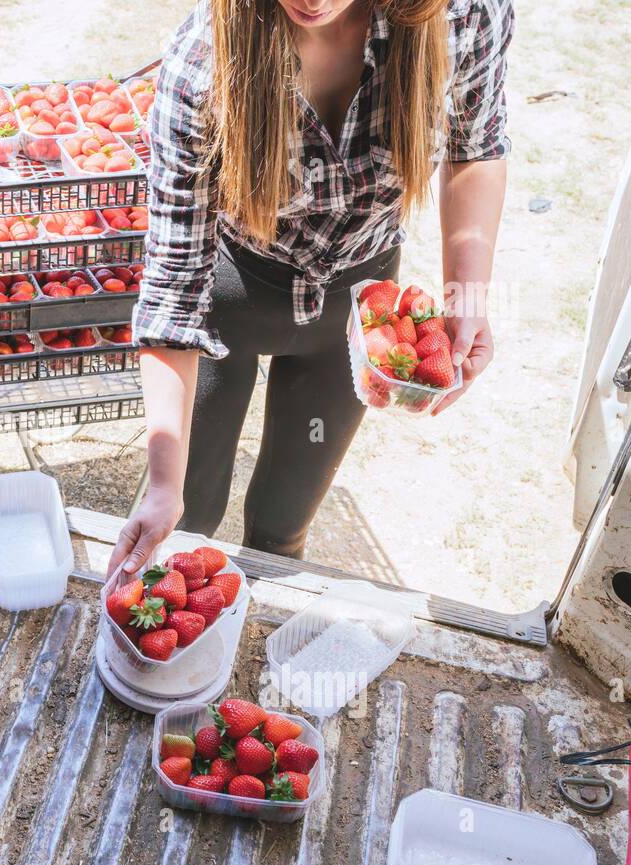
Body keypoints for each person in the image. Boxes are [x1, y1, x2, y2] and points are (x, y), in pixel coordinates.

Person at [111, 0, 511, 574]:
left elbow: (477, 145)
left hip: (354, 314)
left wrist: (467, 298)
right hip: (233, 295)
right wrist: (160, 488)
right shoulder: (201, 65)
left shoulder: (462, 15)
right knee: (185, 515)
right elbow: (173, 290)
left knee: (282, 526)